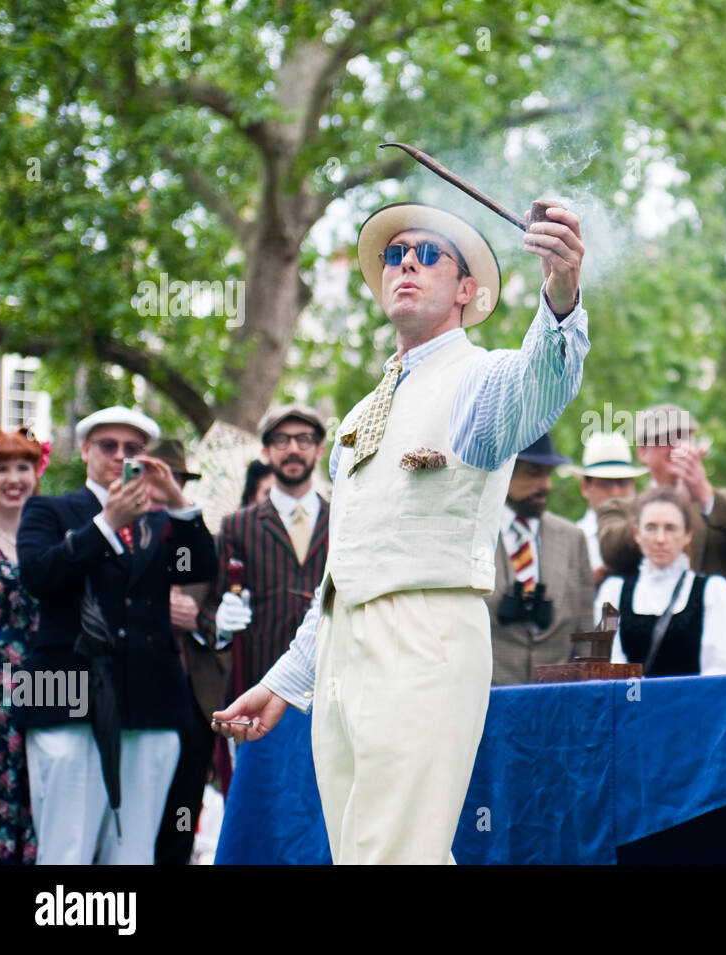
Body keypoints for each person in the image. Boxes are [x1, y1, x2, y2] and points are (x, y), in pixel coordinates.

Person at [213, 198, 588, 864]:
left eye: (429, 253)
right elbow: (342, 571)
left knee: (395, 853)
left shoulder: (479, 379)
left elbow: (543, 378)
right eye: (395, 254)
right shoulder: (358, 414)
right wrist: (284, 680)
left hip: (427, 634)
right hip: (343, 646)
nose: (406, 262)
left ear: (467, 289)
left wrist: (560, 294)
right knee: (364, 852)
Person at [17, 406, 218, 864]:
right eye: (108, 446)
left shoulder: (160, 524)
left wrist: (178, 502)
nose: (119, 456)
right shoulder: (50, 509)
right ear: (85, 450)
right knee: (67, 846)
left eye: (133, 449)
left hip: (148, 702)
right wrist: (105, 524)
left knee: (134, 851)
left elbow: (198, 567)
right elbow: (39, 576)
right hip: (67, 697)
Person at [597, 403, 726, 670]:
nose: (675, 446)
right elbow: (612, 551)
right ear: (642, 452)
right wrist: (665, 508)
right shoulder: (619, 509)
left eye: (683, 437)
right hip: (650, 667)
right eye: (664, 439)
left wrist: (705, 495)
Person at [200, 405, 330, 698]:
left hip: (328, 687)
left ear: (320, 450)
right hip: (259, 686)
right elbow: (208, 610)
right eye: (281, 440)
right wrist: (220, 623)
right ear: (265, 452)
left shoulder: (342, 520)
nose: (293, 449)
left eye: (304, 439)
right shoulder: (237, 526)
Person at [146, 438, 228, 865]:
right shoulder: (125, 534)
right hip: (141, 697)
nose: (163, 486)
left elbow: (227, 613)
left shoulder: (202, 541)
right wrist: (160, 610)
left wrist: (197, 621)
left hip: (194, 697)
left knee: (183, 809)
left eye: (173, 478)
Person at [596, 486, 726, 675]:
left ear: (688, 535)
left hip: (697, 695)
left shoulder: (714, 591)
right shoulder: (613, 593)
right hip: (633, 695)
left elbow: (723, 670)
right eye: (651, 528)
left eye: (670, 528)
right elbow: (609, 667)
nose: (660, 539)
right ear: (637, 534)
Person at [489, 432, 594, 684]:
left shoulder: (572, 538)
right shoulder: (477, 534)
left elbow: (586, 628)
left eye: (548, 474)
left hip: (557, 697)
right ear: (505, 472)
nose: (546, 485)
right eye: (534, 474)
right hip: (488, 697)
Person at [0, 428, 44, 864]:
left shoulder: (50, 539)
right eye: (0, 468)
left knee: (38, 800)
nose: (13, 479)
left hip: (47, 690)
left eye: (22, 467)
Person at [565, 431, 645, 587]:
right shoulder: (570, 539)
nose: (616, 492)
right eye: (606, 483)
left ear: (633, 486)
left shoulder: (651, 531)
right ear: (585, 486)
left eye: (622, 482)